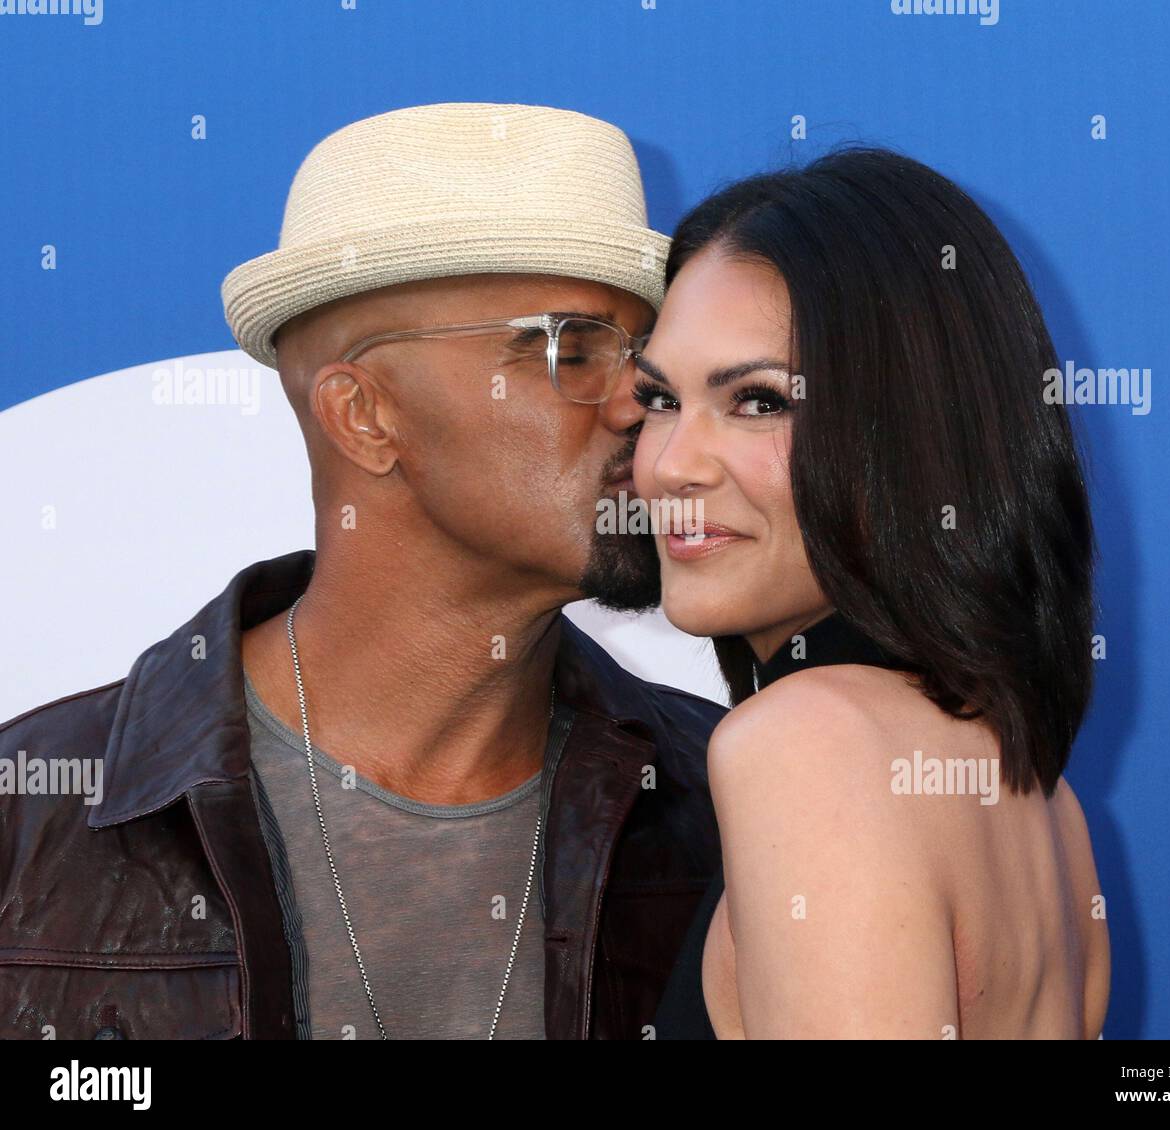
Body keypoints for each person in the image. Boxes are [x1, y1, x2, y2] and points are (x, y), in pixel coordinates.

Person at [0, 102, 723, 1040]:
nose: (643, 403)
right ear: (364, 416)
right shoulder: (31, 821)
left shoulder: (729, 808)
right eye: (570, 347)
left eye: (646, 357)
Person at [636, 146, 1111, 1039]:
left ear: (908, 436)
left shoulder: (805, 747)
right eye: (659, 400)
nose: (667, 466)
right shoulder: (1043, 801)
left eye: (759, 402)